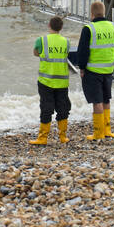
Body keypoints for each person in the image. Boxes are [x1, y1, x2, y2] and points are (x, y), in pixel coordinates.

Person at [72, 1, 114, 141]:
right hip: (108, 70)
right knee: (106, 99)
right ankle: (107, 131)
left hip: (93, 71)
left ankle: (98, 133)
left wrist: (81, 68)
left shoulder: (89, 28)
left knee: (97, 101)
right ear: (104, 12)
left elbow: (82, 51)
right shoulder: (113, 27)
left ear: (92, 13)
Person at [29, 16, 73, 145]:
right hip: (62, 82)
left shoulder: (41, 40)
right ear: (61, 28)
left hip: (45, 81)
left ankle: (42, 138)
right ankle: (63, 136)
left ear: (49, 25)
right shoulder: (66, 41)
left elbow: (35, 53)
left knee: (46, 108)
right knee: (63, 108)